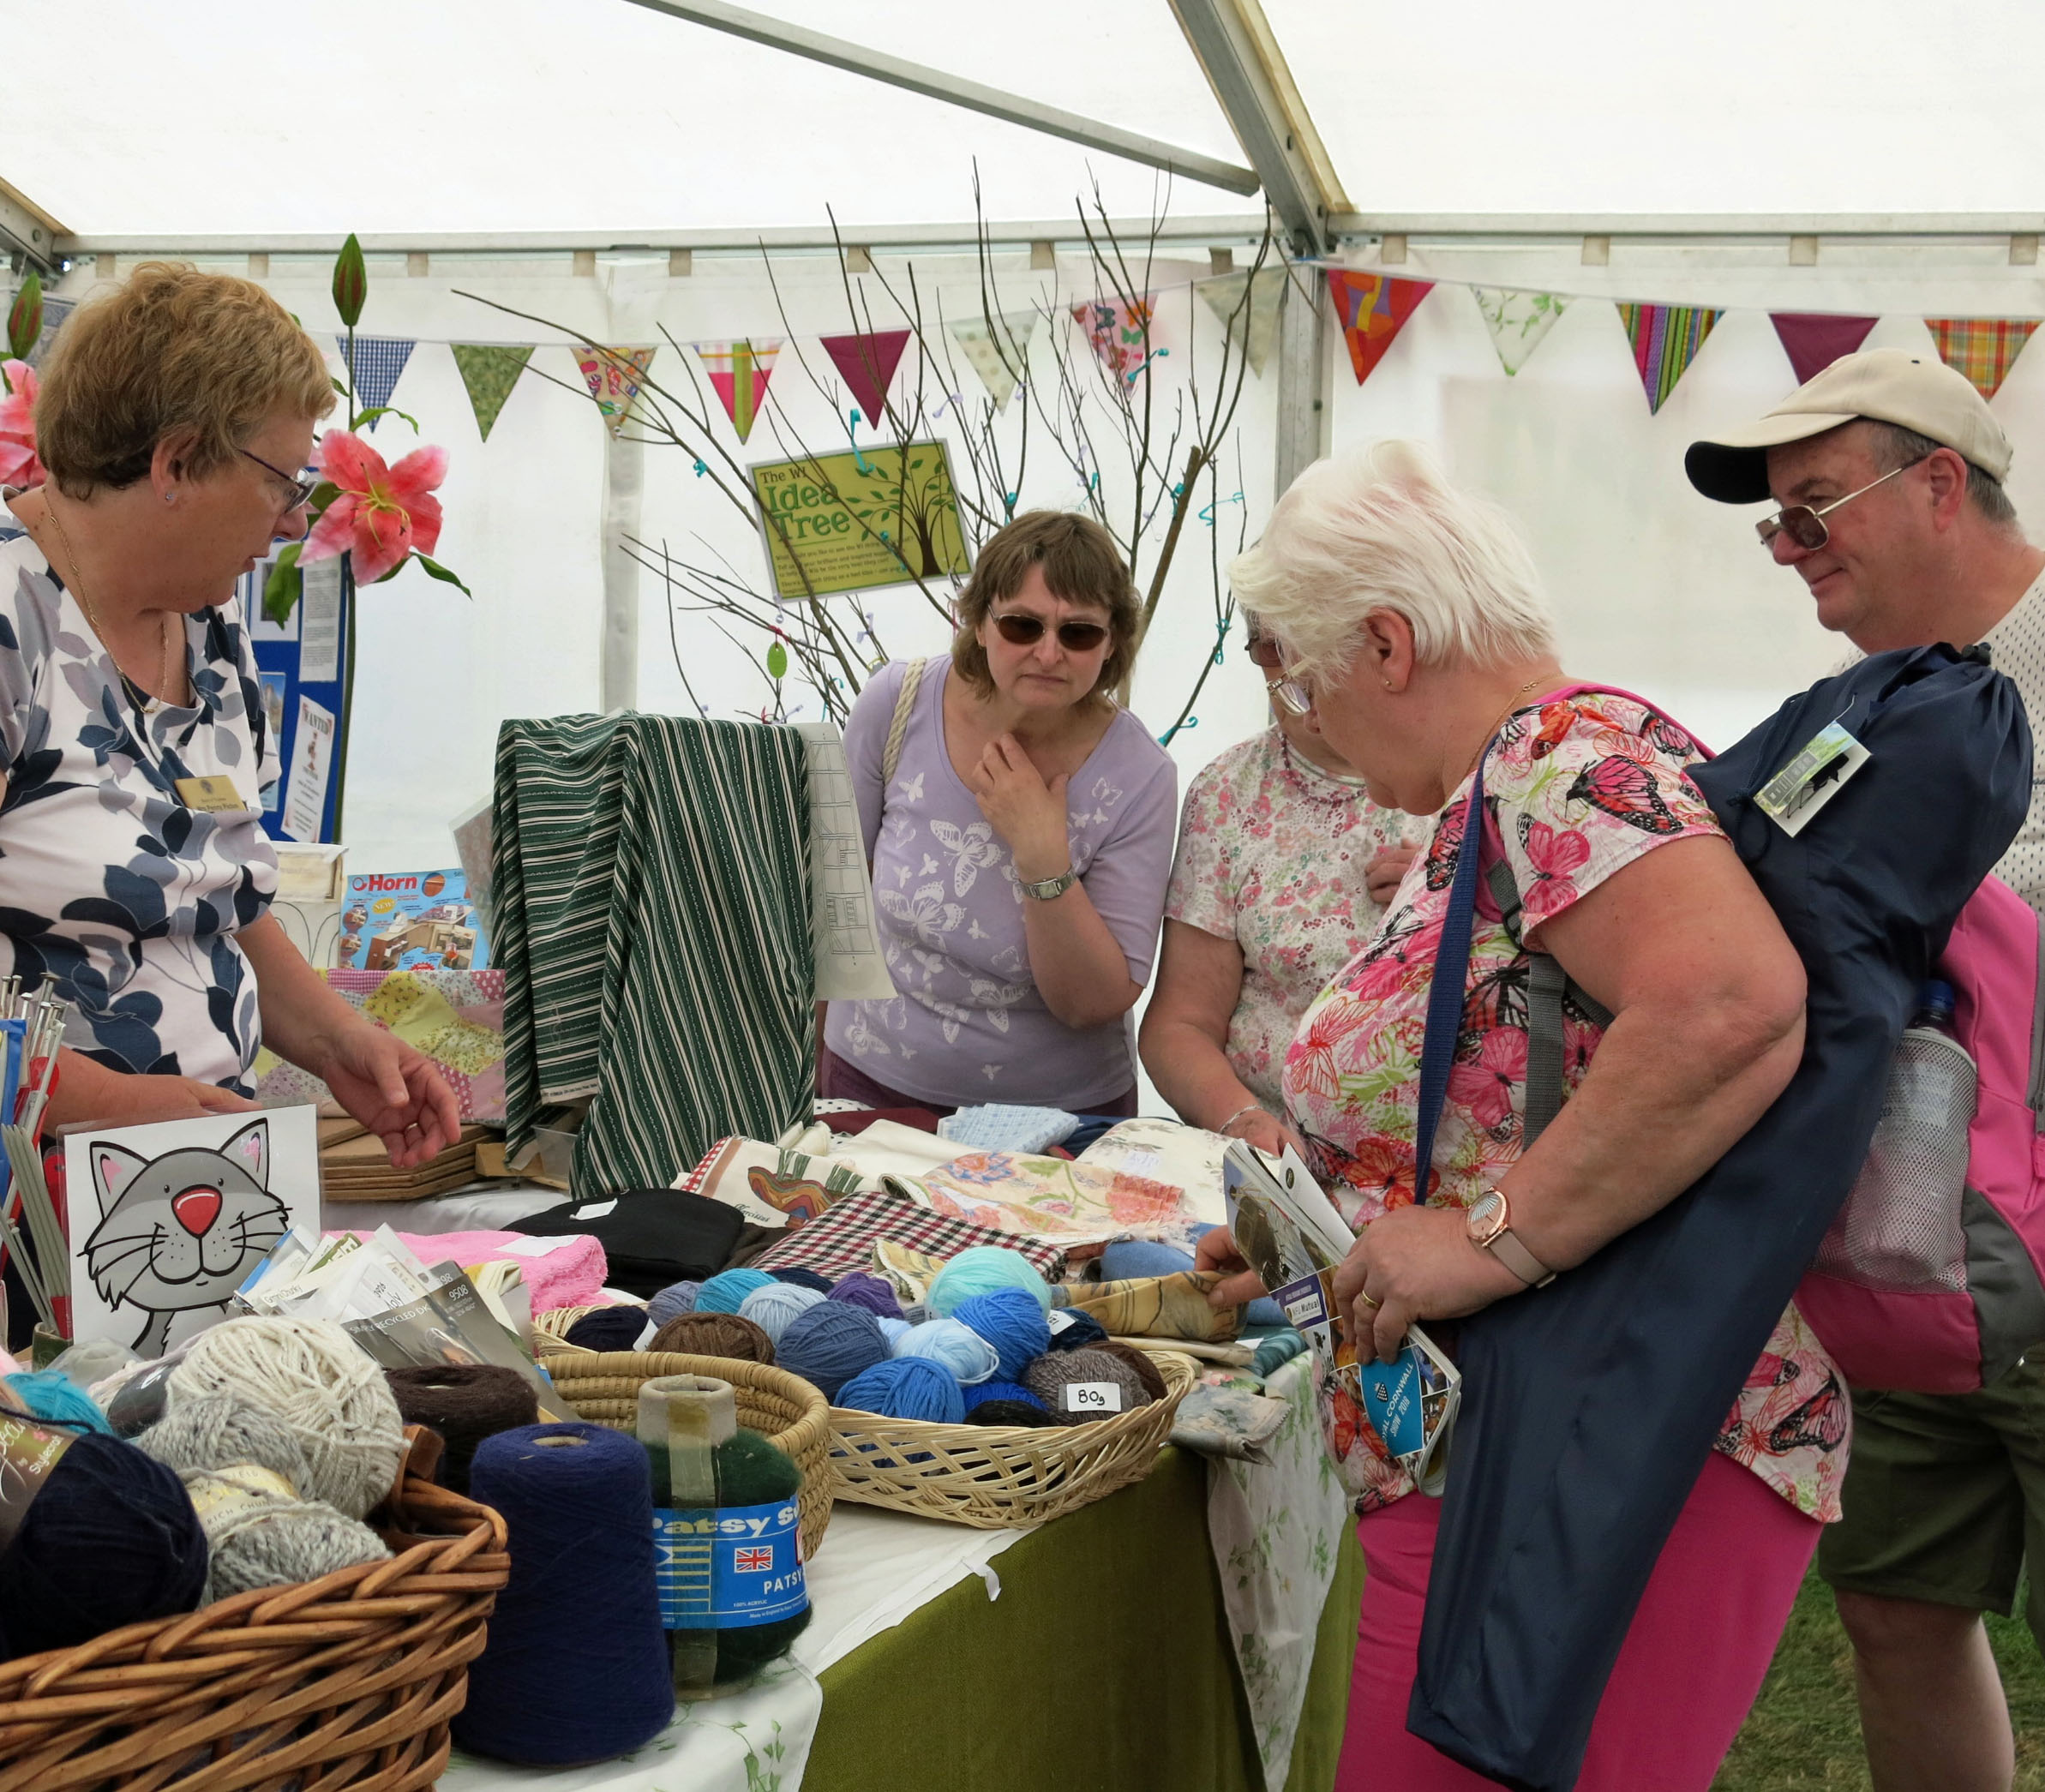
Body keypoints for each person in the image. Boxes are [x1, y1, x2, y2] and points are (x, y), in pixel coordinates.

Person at [1197, 441, 1832, 1790]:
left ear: (1384, 643)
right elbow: (1506, 1074)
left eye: (1300, 679)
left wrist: (1491, 1236)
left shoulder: (1556, 753)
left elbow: (1727, 1003)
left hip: (1603, 1442)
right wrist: (1330, 1235)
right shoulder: (1505, 782)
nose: (1303, 718)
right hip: (1522, 1439)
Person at [1688, 346, 2045, 1792]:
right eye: (1776, 523)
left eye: (1813, 511)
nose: (1788, 550)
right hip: (1903, 1242)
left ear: (1939, 485)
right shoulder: (1866, 705)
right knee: (1899, 1613)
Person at [0, 263, 459, 1165]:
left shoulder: (211, 636)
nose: (295, 521)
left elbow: (223, 901)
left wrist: (341, 1043)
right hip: (31, 1215)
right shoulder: (13, 623)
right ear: (175, 462)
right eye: (284, 480)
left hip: (186, 1194)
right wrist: (98, 1102)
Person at [821, 510, 1176, 1117]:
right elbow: (834, 903)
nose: (1048, 652)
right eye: (1022, 625)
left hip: (1058, 1124)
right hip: (868, 1086)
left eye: (1078, 633)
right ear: (976, 622)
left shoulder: (1141, 774)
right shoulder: (896, 704)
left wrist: (1041, 853)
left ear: (1113, 640)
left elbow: (1091, 1002)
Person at [1140, 625, 1412, 1156]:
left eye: (1310, 642)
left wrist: (1451, 892)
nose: (1292, 670)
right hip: (1280, 1159)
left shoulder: (1470, 778)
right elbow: (1181, 1024)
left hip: (1430, 1164)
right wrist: (1241, 1121)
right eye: (1269, 647)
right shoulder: (1229, 792)